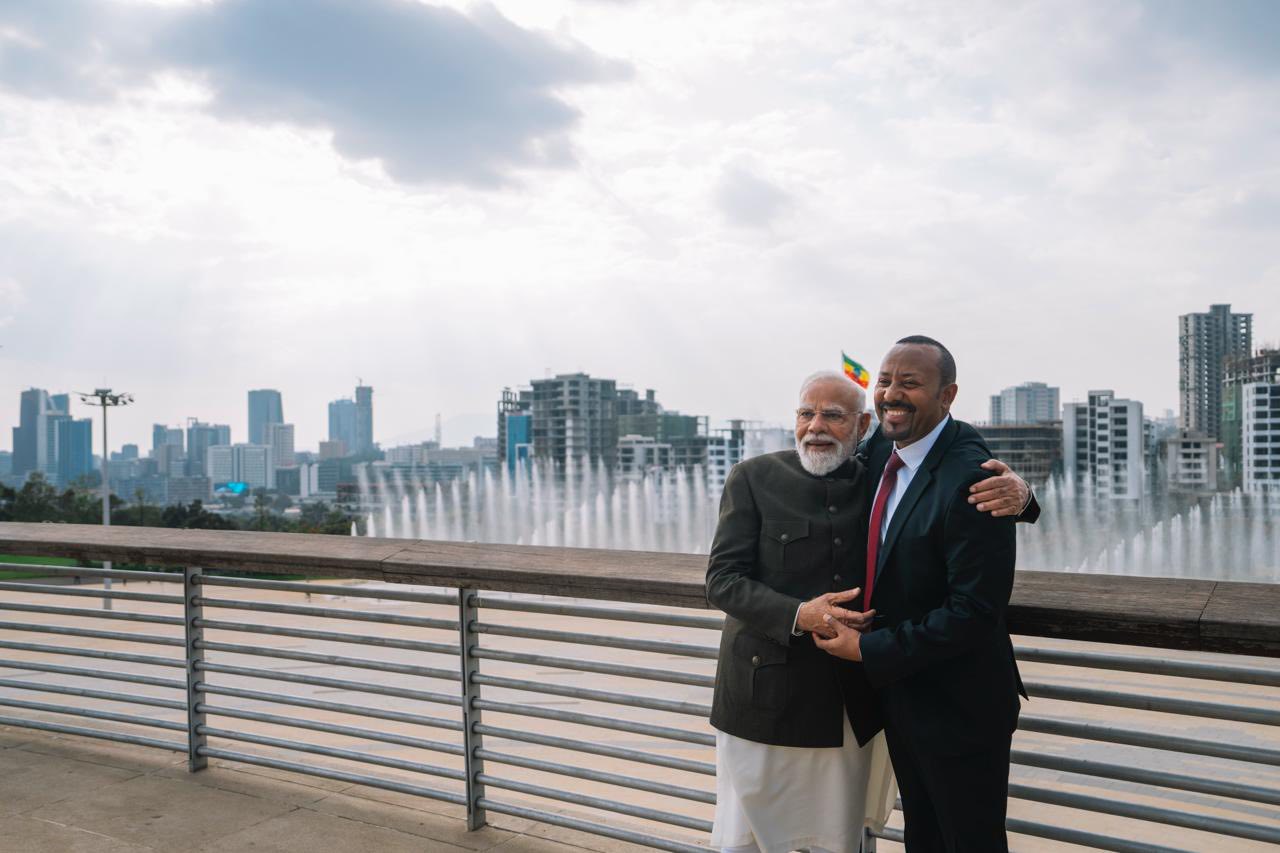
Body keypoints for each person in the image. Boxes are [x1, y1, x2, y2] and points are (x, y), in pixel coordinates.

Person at [707, 369, 1032, 853]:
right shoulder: (754, 477)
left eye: (833, 415)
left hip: (860, 701)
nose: (816, 426)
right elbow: (721, 580)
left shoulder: (881, 468)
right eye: (805, 413)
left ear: (863, 427)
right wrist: (801, 614)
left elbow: (958, 447)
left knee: (848, 837)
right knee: (753, 838)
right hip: (764, 702)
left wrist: (1024, 495)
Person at [815, 337, 1026, 852]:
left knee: (969, 843)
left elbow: (974, 612)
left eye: (909, 383)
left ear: (946, 395)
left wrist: (867, 649)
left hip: (960, 705)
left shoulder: (974, 481)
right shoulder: (882, 449)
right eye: (885, 381)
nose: (891, 394)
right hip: (902, 694)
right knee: (925, 839)